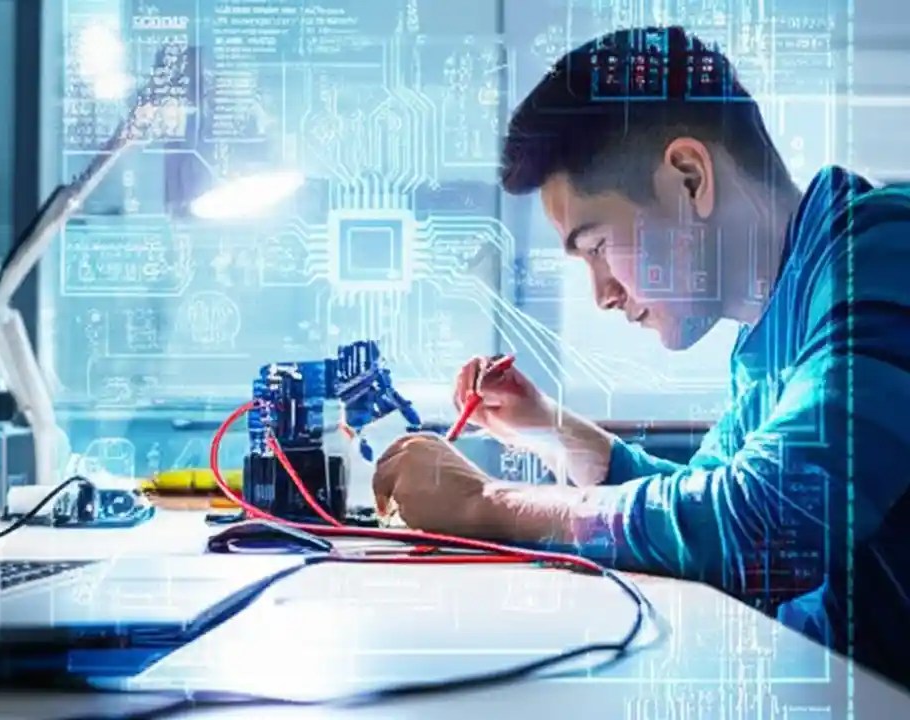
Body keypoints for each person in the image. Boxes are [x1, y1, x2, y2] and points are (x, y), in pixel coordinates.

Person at [373, 25, 910, 688]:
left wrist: (487, 501)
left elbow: (767, 525)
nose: (600, 294)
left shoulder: (884, 254)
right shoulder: (770, 336)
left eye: (596, 246)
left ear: (689, 178)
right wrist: (553, 431)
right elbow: (702, 508)